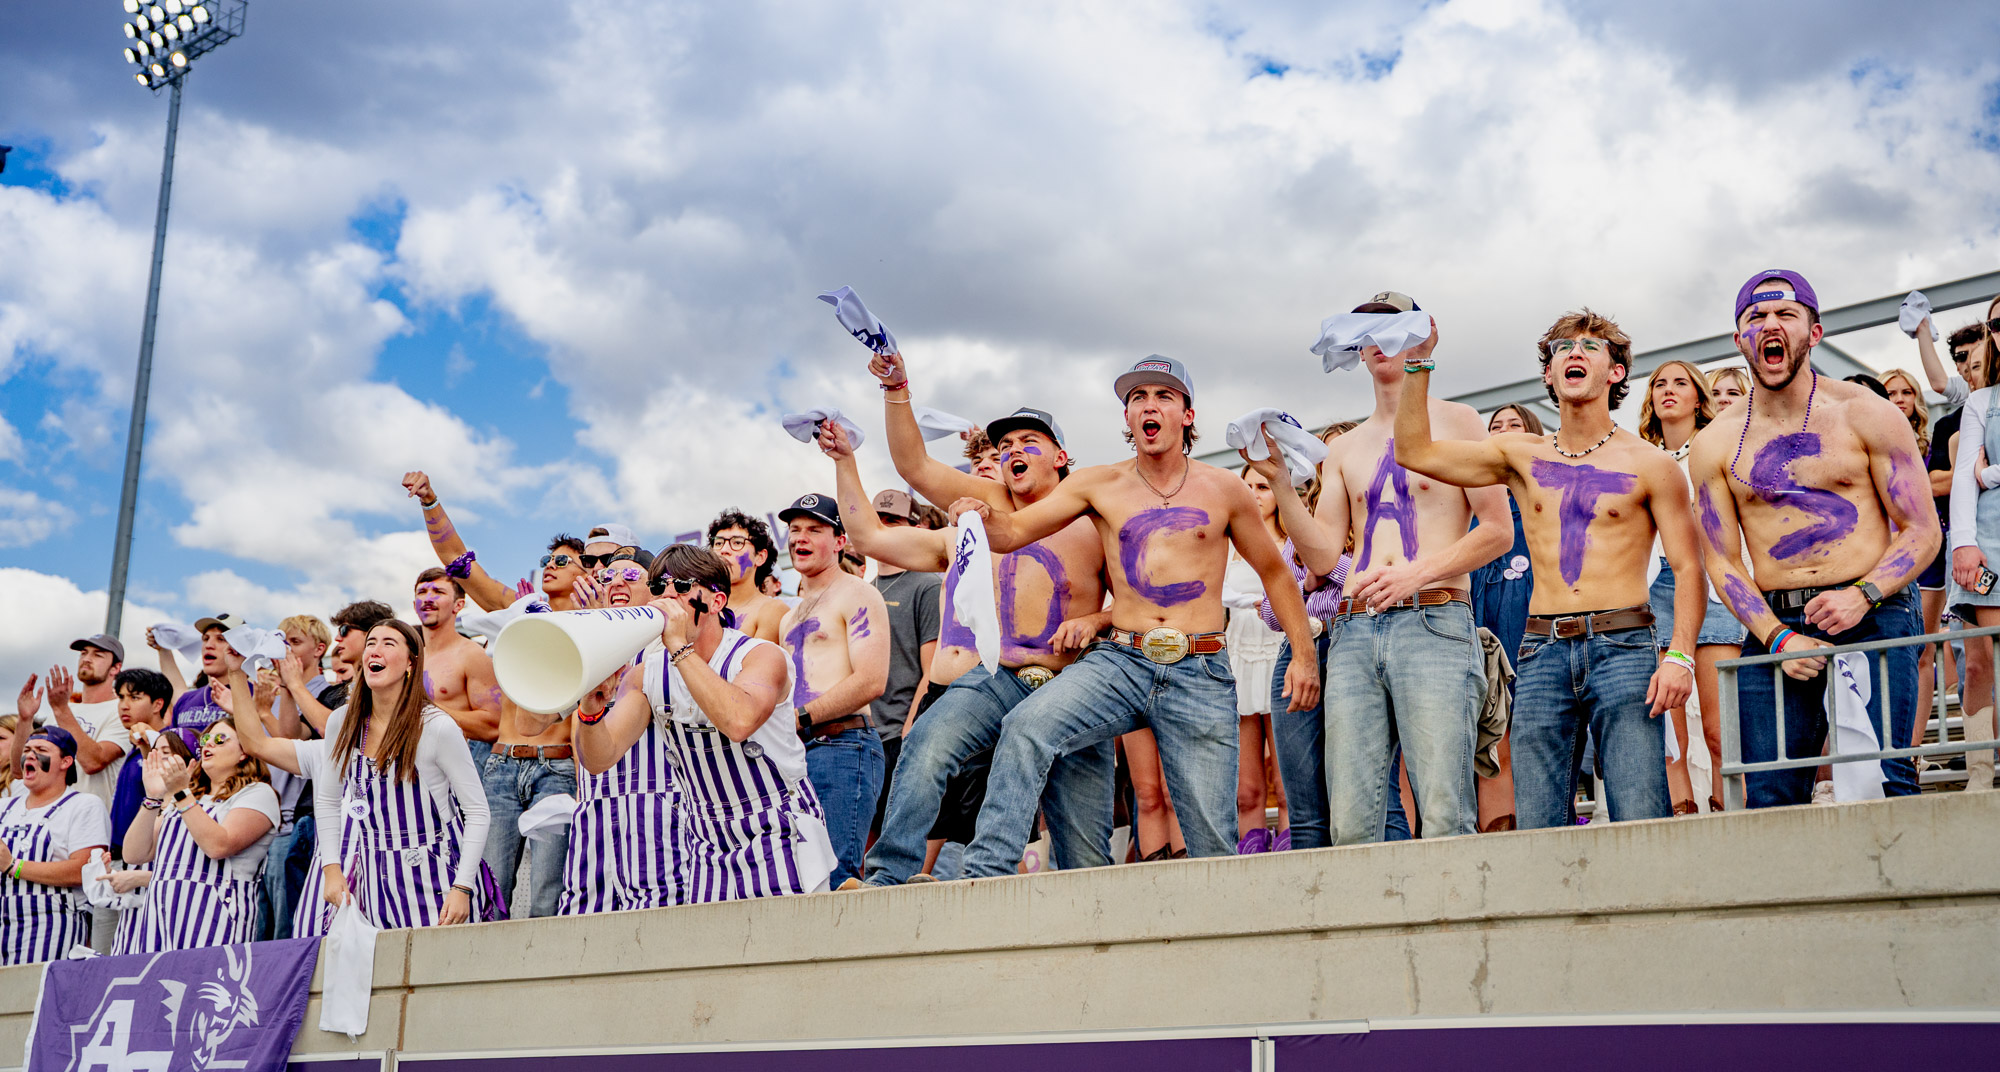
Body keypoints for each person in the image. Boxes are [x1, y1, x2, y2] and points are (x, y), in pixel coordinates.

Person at [954, 355, 1320, 873]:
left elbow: (1276, 573)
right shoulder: (1097, 484)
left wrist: (1303, 656)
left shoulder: (1225, 488)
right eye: (1136, 399)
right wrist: (979, 513)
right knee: (1026, 725)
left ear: (1187, 416)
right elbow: (1012, 533)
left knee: (1213, 844)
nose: (1149, 406)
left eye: (1163, 396)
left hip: (1201, 668)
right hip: (1121, 661)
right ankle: (984, 874)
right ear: (1127, 419)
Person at [1394, 312, 1701, 828]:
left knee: (1639, 815)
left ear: (1616, 372)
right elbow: (1413, 451)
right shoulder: (1520, 455)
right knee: (1537, 825)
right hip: (1542, 649)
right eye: (1562, 348)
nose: (1574, 353)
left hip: (1624, 643)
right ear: (1548, 375)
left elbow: (1690, 566)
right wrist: (1419, 360)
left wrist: (1680, 657)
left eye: (1589, 346)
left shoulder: (1651, 464)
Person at [823, 402, 1111, 886]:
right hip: (1000, 677)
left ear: (1061, 457)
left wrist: (1096, 618)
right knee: (926, 745)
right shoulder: (971, 533)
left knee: (1085, 854)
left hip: (1074, 684)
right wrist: (847, 460)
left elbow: (1134, 603)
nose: (1013, 452)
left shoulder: (1094, 521)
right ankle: (888, 877)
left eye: (1028, 443)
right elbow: (868, 535)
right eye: (1005, 448)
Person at [1689, 270, 1939, 807]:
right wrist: (1778, 637)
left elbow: (1923, 530)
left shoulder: (1866, 413)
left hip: (1874, 611)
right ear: (1740, 341)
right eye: (1756, 317)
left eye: (1785, 315)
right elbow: (1723, 560)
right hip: (1776, 625)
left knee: (1885, 784)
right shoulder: (1716, 443)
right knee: (1769, 797)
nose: (1769, 326)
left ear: (1815, 332)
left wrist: (1862, 595)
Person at [1264, 293, 1508, 844]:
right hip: (1353, 630)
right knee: (1351, 822)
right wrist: (1281, 485)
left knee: (1444, 811)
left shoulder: (1461, 421)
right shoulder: (1345, 447)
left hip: (1433, 620)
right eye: (1367, 333)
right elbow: (1325, 558)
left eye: (1394, 329)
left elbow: (1497, 531)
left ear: (1421, 334)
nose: (1380, 343)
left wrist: (1417, 574)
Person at [579, 545, 835, 900]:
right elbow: (599, 759)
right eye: (658, 587)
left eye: (681, 586)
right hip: (706, 843)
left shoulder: (759, 656)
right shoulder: (644, 675)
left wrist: (679, 647)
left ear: (716, 601)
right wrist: (589, 713)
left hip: (779, 833)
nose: (667, 596)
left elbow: (739, 721)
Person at [315, 620, 491, 927]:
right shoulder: (341, 722)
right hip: (374, 881)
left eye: (388, 643)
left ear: (411, 662)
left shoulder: (437, 726)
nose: (375, 650)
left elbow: (477, 811)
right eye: (371, 642)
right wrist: (332, 868)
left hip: (438, 877)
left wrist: (462, 887)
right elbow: (328, 799)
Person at [1638, 359, 1740, 814]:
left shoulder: (1720, 448)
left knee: (1721, 729)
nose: (1668, 390)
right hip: (1656, 586)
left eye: (1681, 383)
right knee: (1669, 734)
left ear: (1699, 397)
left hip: (1713, 584)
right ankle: (1682, 816)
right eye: (1660, 384)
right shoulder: (1641, 458)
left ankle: (1730, 818)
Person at [556, 550, 680, 915]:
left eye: (630, 574)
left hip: (654, 812)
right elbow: (530, 723)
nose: (616, 583)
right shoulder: (586, 650)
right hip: (594, 812)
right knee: (581, 927)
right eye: (607, 577)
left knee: (656, 922)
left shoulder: (669, 649)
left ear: (655, 590)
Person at [777, 492, 891, 887]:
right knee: (798, 879)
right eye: (794, 530)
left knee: (836, 878)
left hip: (844, 746)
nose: (800, 538)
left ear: (841, 541)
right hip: (796, 753)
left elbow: (871, 680)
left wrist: (802, 717)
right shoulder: (789, 615)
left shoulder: (858, 592)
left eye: (814, 529)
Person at [116, 715, 278, 952]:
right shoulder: (190, 797)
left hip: (214, 919)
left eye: (220, 739)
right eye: (206, 739)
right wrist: (152, 798)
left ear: (244, 752)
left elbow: (218, 846)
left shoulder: (258, 793)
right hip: (160, 918)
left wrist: (181, 793)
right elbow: (134, 853)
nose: (209, 744)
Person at [224, 670, 340, 938]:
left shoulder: (417, 741)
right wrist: (236, 672)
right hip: (326, 879)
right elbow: (257, 744)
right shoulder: (323, 752)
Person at [1470, 405, 1542, 832]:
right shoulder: (1474, 499)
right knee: (1490, 738)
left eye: (1514, 425)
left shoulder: (1544, 493)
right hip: (1481, 623)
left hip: (1531, 624)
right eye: (1494, 427)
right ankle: (1495, 832)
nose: (1503, 432)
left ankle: (1542, 824)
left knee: (1534, 735)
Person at [862, 489, 942, 837]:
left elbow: (933, 669)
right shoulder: (862, 588)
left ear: (915, 527)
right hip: (862, 735)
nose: (882, 526)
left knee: (896, 839)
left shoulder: (926, 584)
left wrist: (910, 731)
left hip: (898, 734)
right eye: (877, 519)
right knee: (861, 840)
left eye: (892, 520)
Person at [403, 470, 590, 616]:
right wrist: (429, 500)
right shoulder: (520, 610)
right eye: (547, 560)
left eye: (562, 561)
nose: (550, 565)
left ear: (589, 574)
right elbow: (456, 560)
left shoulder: (602, 616)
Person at [0, 725, 110, 964]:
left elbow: (84, 870)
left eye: (41, 749)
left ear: (66, 761)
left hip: (50, 924)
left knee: (32, 998)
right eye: (27, 749)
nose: (30, 754)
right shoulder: (4, 807)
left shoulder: (83, 805)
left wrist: (13, 866)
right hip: (2, 919)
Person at [1225, 465, 1289, 853]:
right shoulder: (1227, 545)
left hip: (1280, 650)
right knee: (1247, 790)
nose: (1253, 493)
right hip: (1238, 654)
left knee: (1284, 786)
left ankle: (1289, 852)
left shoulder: (1292, 542)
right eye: (1245, 486)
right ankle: (1247, 858)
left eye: (1262, 485)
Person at [707, 509, 789, 642]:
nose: (724, 550)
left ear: (760, 557)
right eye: (718, 543)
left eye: (737, 542)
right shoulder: (700, 605)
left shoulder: (772, 610)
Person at [165, 614, 252, 732]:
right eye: (206, 639)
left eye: (221, 639)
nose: (209, 645)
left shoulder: (256, 696)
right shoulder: (185, 700)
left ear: (242, 649)